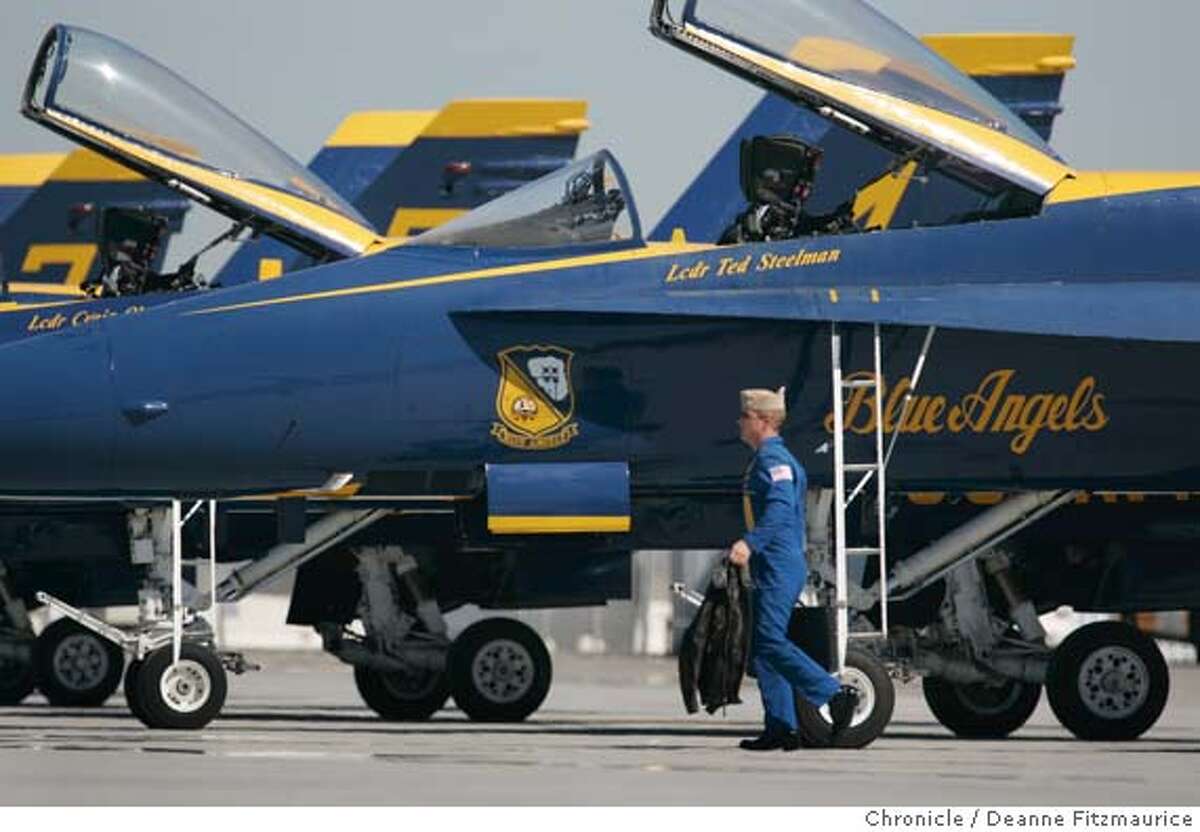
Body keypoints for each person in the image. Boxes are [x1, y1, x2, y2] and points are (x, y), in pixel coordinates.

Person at [729, 387, 858, 750]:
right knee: (764, 647)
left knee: (769, 640)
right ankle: (780, 726)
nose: (740, 423)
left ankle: (833, 694)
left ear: (764, 421)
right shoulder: (770, 458)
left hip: (779, 565)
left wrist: (748, 543)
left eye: (746, 417)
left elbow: (781, 509)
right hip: (773, 565)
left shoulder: (774, 461)